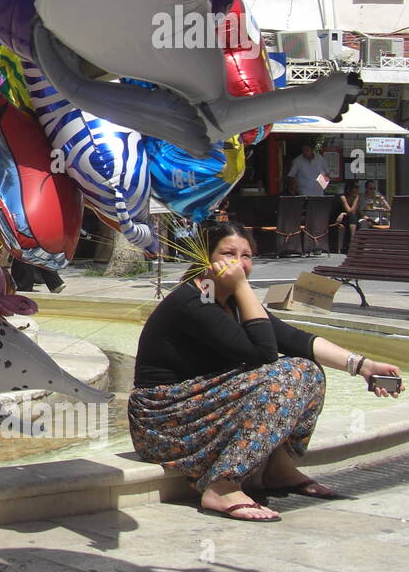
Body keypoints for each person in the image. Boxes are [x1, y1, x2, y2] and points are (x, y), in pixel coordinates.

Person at [129, 222, 400, 522]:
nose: (239, 263)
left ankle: (279, 469)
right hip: (163, 420)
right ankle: (222, 487)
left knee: (308, 371)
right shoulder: (195, 300)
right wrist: (244, 287)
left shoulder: (230, 299)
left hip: (197, 408)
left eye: (246, 256)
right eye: (228, 253)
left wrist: (363, 366)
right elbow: (264, 355)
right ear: (206, 258)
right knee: (287, 374)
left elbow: (295, 339)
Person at [334, 181, 360, 253]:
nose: (358, 189)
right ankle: (352, 240)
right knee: (353, 216)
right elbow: (350, 211)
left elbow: (356, 212)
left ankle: (353, 241)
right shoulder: (343, 197)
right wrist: (356, 199)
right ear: (349, 189)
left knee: (354, 218)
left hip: (348, 218)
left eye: (358, 187)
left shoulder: (356, 197)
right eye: (356, 187)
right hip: (338, 219)